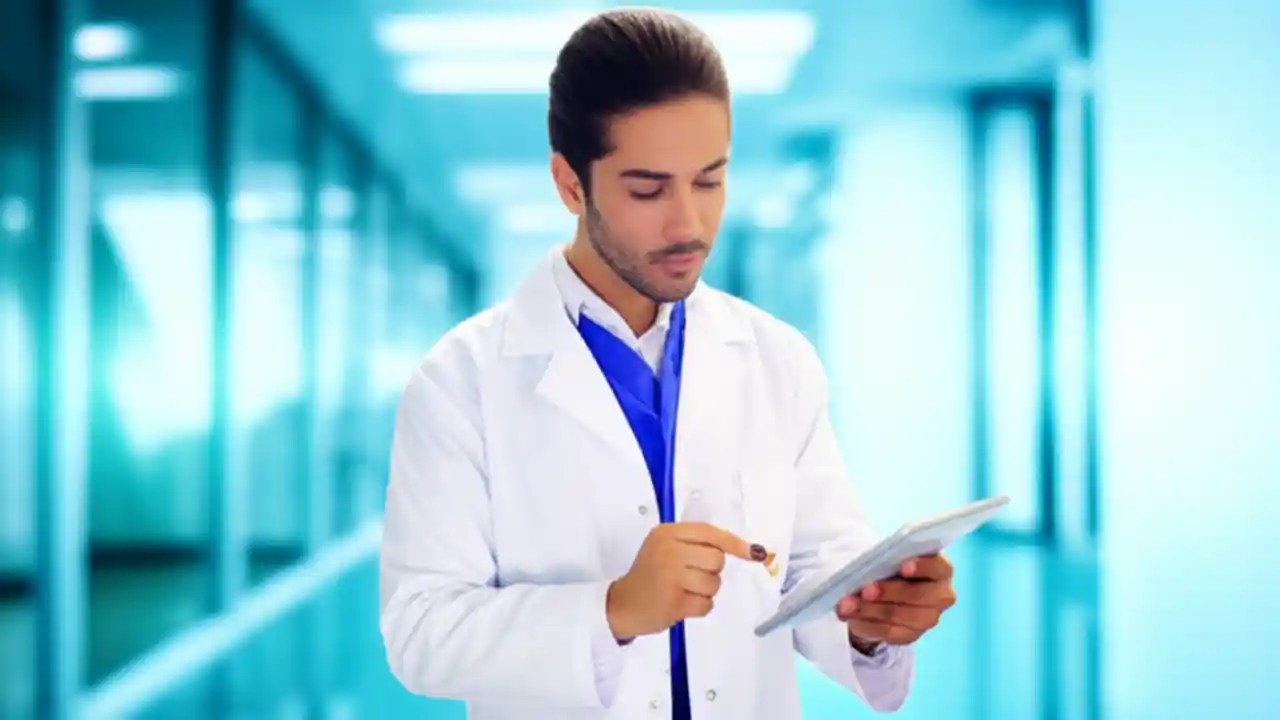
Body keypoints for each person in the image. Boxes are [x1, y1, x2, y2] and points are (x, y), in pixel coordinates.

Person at [379, 8, 957, 719]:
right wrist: (614, 608)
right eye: (648, 189)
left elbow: (810, 569)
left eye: (709, 181)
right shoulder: (461, 382)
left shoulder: (776, 360)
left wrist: (870, 620)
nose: (687, 224)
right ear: (570, 185)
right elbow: (421, 633)